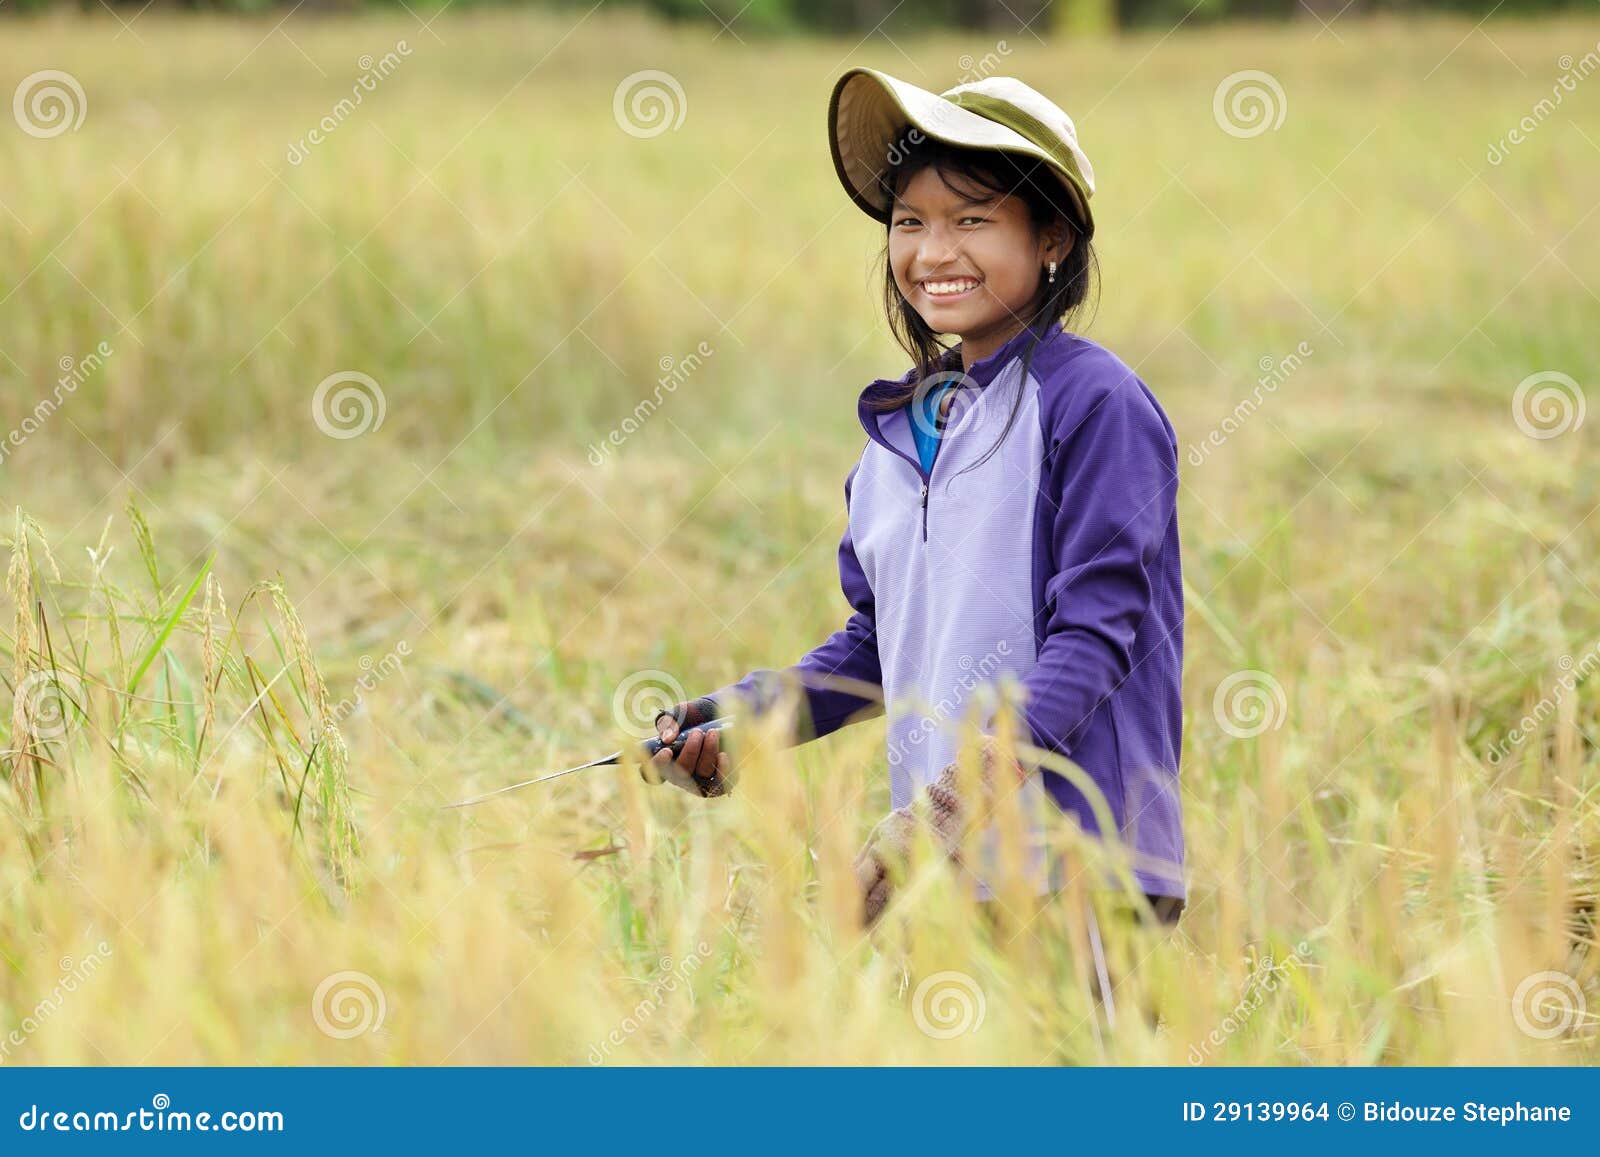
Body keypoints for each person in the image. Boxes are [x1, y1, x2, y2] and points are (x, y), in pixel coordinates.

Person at [650, 68, 1186, 936]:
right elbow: (878, 651)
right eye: (910, 222)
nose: (933, 254)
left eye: (972, 219)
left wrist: (938, 814)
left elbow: (1095, 637)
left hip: (1083, 866)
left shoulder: (1096, 405)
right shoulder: (896, 438)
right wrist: (746, 718)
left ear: (1050, 235)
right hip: (950, 885)